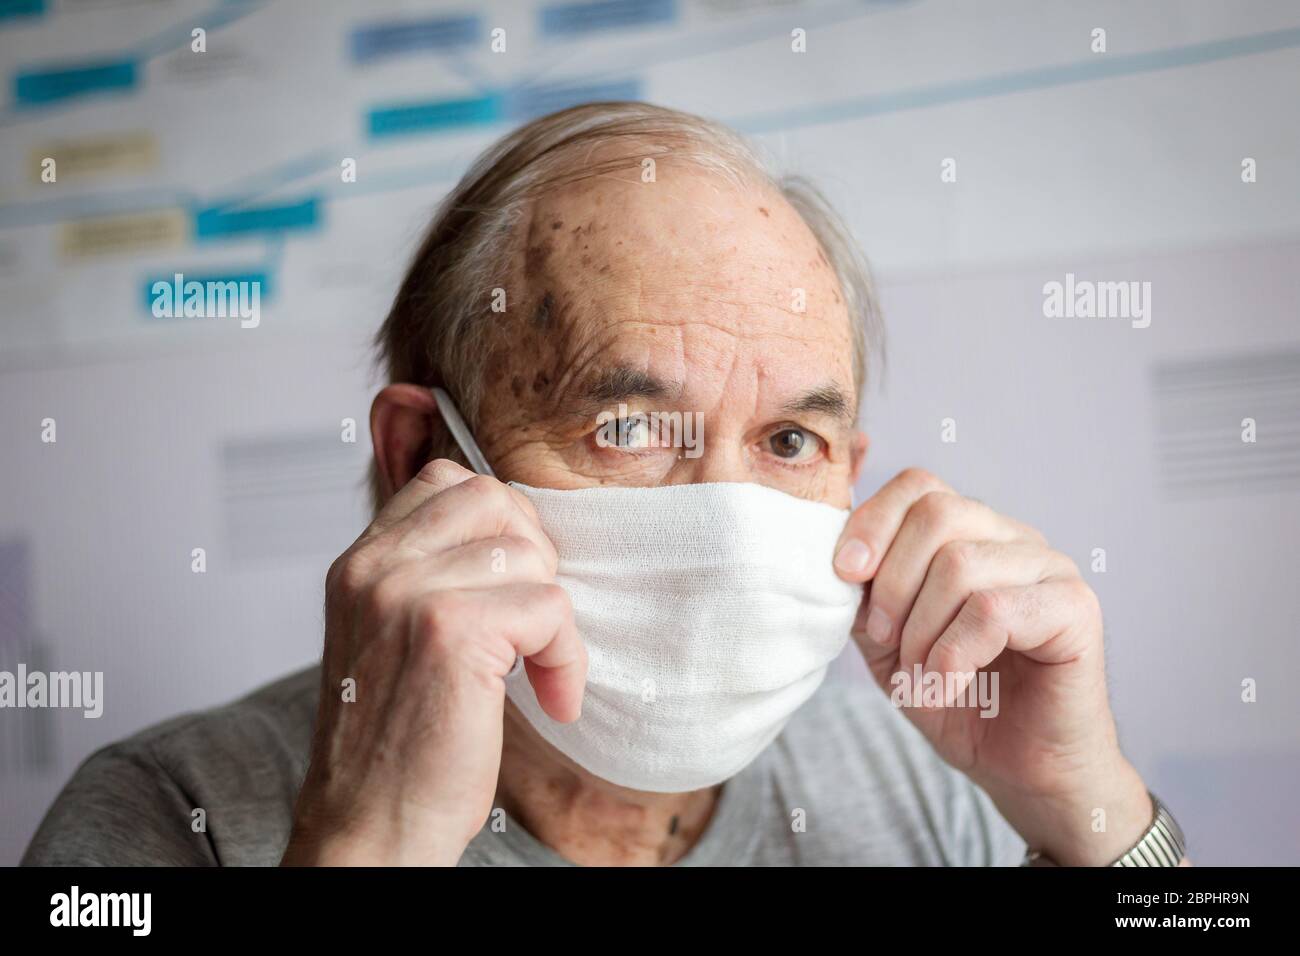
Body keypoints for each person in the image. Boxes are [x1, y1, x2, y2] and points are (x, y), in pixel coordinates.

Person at [22, 102, 1185, 867]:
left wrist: (1091, 809)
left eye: (789, 443)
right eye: (627, 422)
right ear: (418, 461)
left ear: (851, 478)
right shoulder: (165, 814)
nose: (730, 523)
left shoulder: (924, 780)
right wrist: (365, 845)